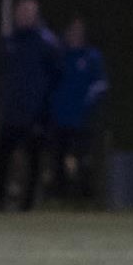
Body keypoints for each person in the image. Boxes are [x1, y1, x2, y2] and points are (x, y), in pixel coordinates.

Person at [0, 0, 58, 212]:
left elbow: (56, 75)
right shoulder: (10, 41)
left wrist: (43, 106)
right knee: (1, 156)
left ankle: (28, 203)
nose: (23, 16)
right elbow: (0, 72)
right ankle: (0, 198)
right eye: (20, 12)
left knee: (33, 159)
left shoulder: (46, 42)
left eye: (28, 13)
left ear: (35, 16)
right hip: (11, 111)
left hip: (34, 112)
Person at [47, 17, 109, 201]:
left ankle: (84, 195)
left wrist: (88, 105)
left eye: (78, 31)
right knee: (57, 158)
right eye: (71, 31)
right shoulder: (59, 56)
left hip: (81, 118)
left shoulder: (92, 57)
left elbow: (100, 84)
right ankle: (59, 194)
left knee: (83, 158)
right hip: (59, 117)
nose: (74, 35)